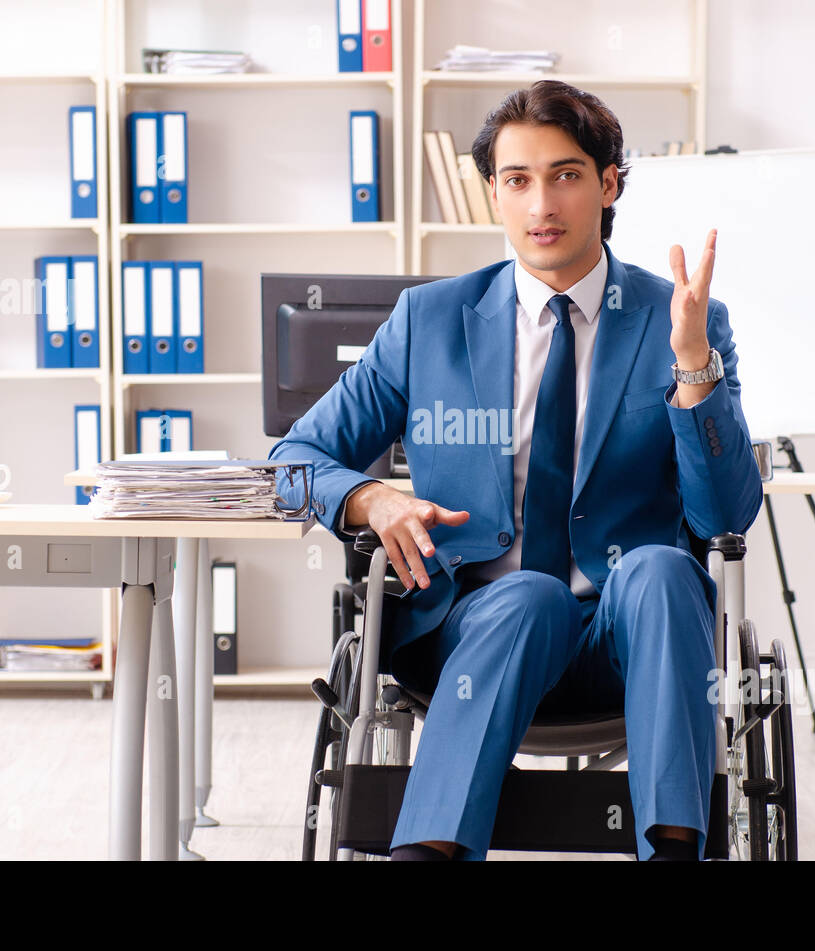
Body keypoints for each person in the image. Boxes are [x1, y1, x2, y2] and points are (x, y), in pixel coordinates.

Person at [270, 80, 763, 861]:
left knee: (665, 570)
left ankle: (674, 849)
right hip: (474, 634)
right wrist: (370, 498)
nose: (542, 202)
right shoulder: (429, 321)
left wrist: (694, 368)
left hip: (628, 639)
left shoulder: (687, 319)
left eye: (565, 174)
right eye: (517, 179)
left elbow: (726, 517)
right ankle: (426, 851)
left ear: (607, 185)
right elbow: (292, 460)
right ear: (493, 193)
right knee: (527, 595)